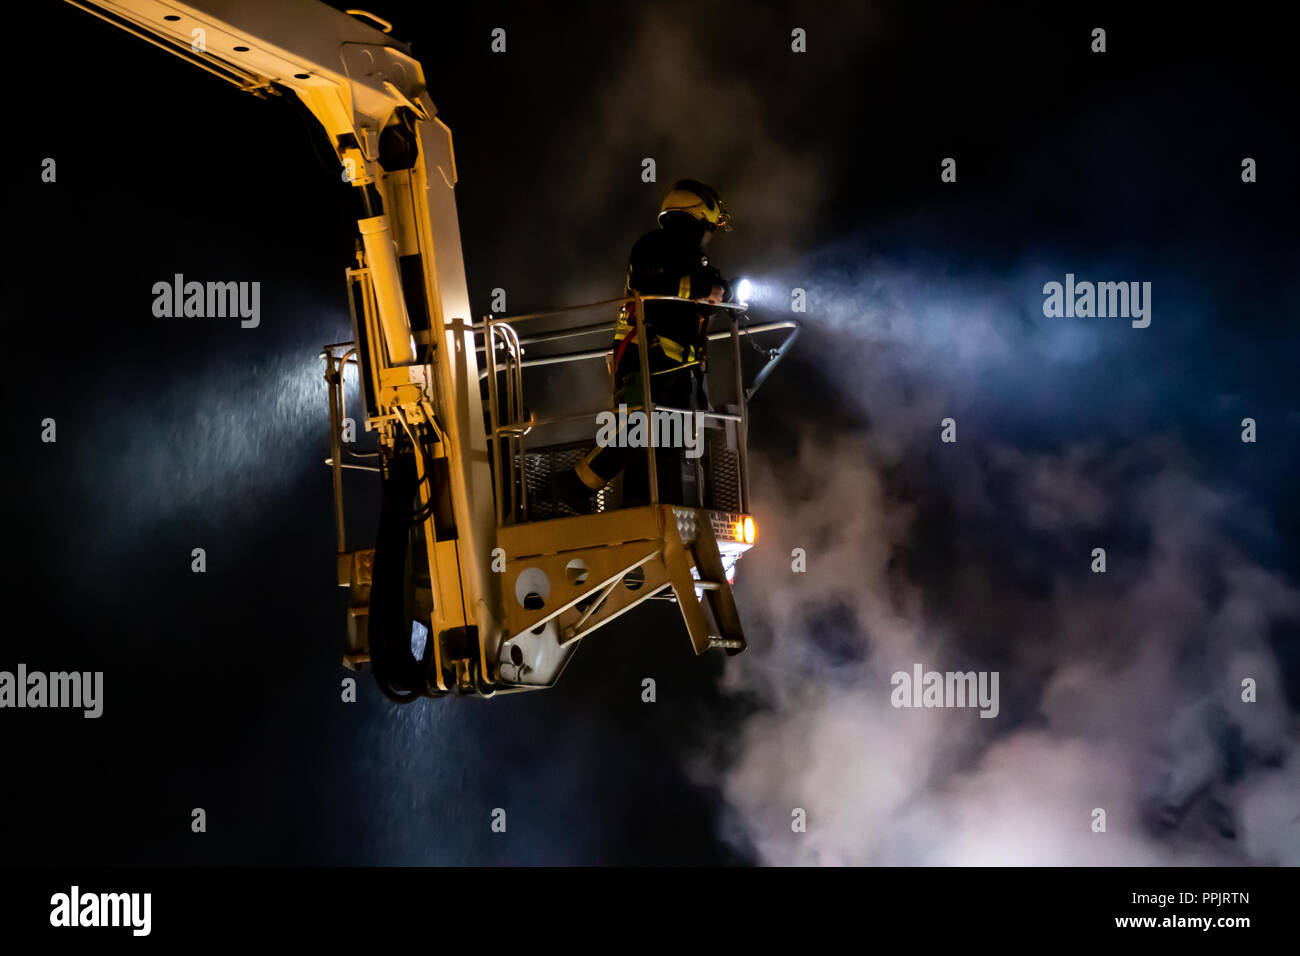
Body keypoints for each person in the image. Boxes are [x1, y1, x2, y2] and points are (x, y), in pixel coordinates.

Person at [558, 179, 734, 512]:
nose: (709, 235)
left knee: (673, 437)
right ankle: (577, 483)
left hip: (682, 368)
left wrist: (721, 290)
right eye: (708, 227)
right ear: (694, 217)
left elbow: (718, 288)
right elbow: (653, 285)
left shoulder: (694, 258)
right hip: (645, 356)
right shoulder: (652, 247)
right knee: (640, 428)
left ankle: (659, 502)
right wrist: (703, 288)